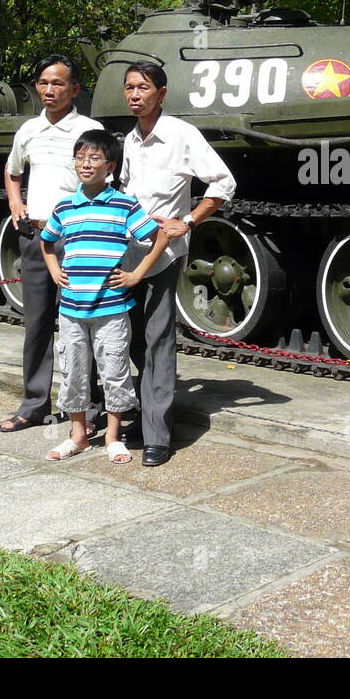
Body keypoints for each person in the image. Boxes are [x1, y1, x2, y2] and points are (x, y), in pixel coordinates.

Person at [118, 62, 236, 467]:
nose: (135, 95)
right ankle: (145, 413)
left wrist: (187, 221)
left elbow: (223, 182)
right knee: (132, 339)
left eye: (143, 87)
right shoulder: (130, 140)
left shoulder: (183, 135)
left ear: (161, 93)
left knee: (158, 342)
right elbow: (126, 189)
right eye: (129, 88)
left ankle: (157, 434)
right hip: (126, 254)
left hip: (163, 255)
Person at [39, 130, 170, 463]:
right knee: (73, 371)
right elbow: (47, 242)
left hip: (111, 307)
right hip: (71, 308)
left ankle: (112, 436)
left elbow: (159, 238)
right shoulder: (65, 206)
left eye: (95, 158)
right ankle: (78, 435)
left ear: (110, 165)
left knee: (115, 370)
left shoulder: (124, 205)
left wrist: (136, 274)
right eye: (81, 156)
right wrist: (54, 270)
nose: (86, 163)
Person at [0, 54, 105, 434]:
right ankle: (34, 404)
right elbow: (13, 171)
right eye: (44, 83)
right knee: (38, 323)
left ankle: (90, 409)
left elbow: (107, 181)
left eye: (58, 83)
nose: (49, 90)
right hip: (36, 238)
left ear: (75, 89)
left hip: (79, 239)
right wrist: (16, 202)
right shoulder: (27, 130)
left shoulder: (90, 130)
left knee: (84, 322)